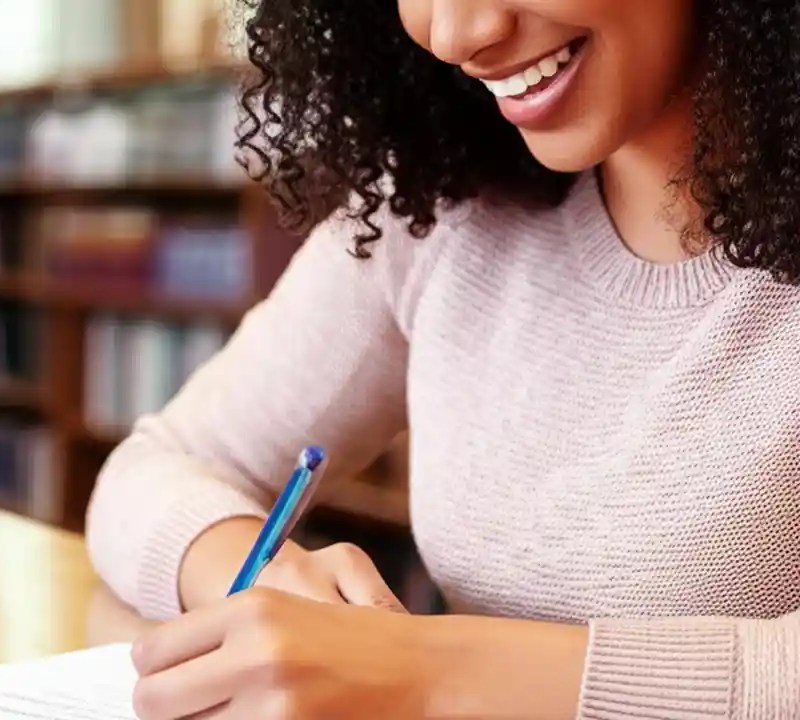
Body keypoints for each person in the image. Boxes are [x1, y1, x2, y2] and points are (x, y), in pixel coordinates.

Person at [84, 0, 800, 718]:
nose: (456, 32)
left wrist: (422, 670)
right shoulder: (437, 210)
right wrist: (268, 588)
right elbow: (155, 466)